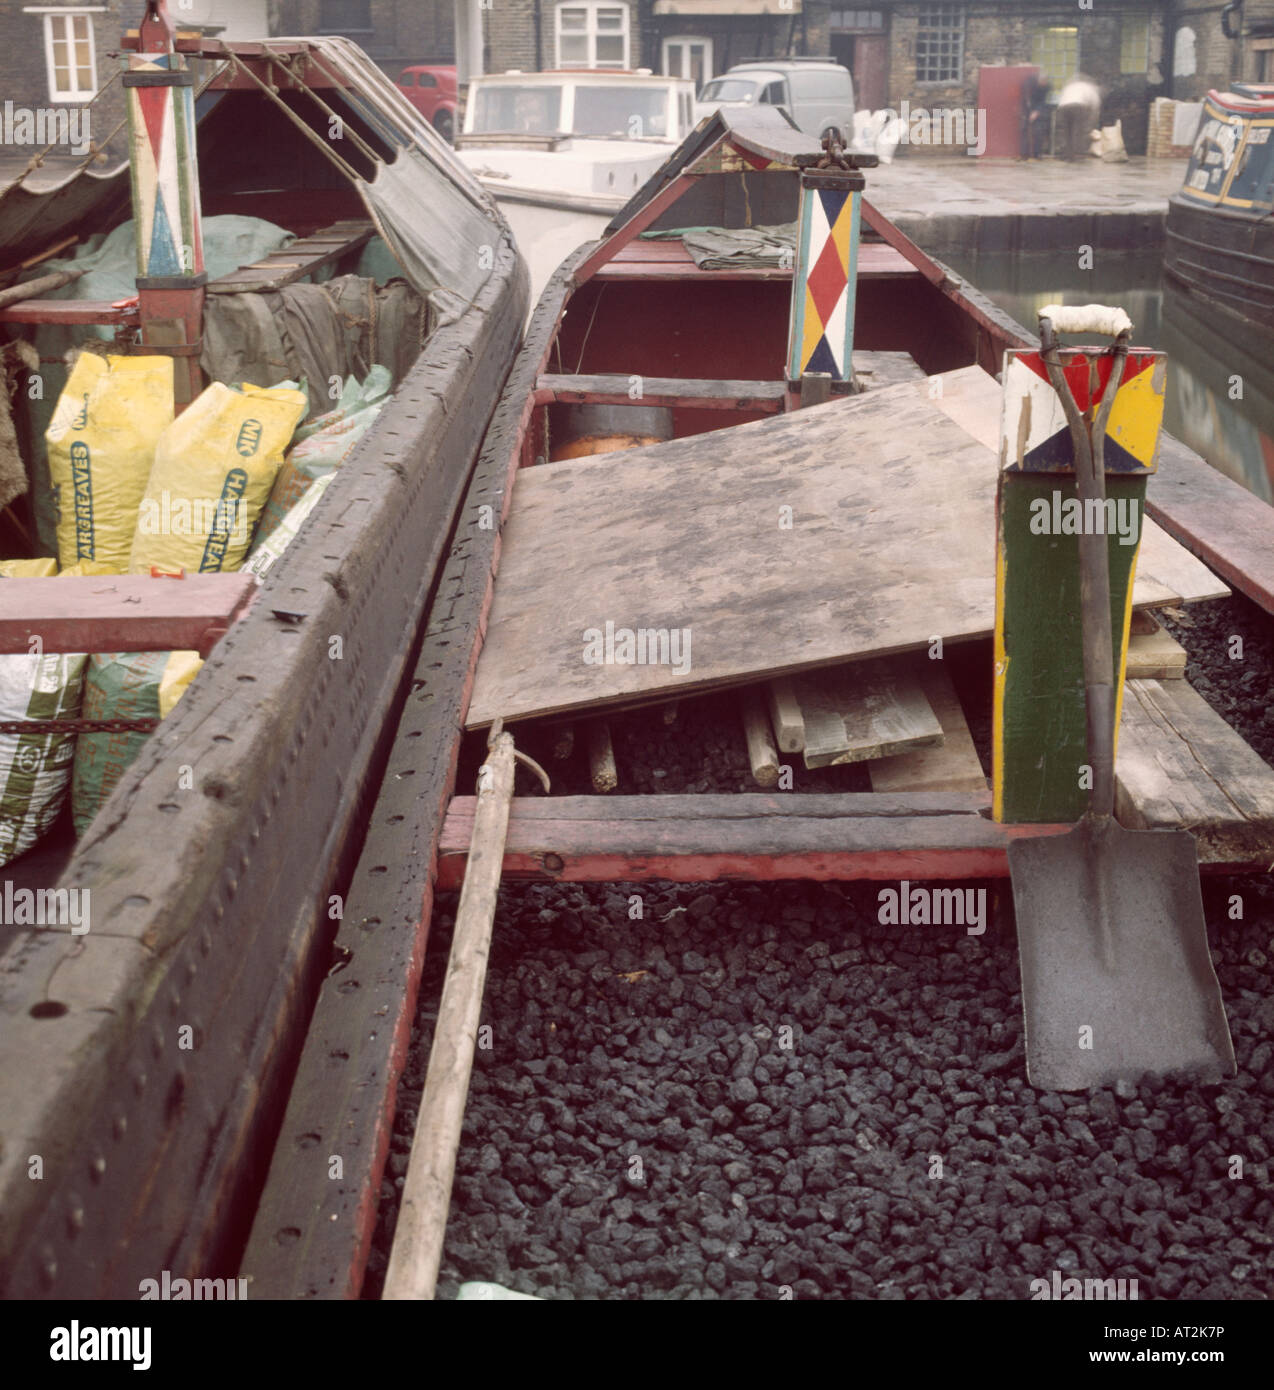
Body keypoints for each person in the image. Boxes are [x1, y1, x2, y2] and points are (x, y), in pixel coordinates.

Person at [1056, 75, 1100, 161]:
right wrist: (1093, 121)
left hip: (1063, 107)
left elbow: (1061, 99)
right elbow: (1095, 105)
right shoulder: (1090, 87)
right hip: (1078, 106)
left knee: (1066, 132)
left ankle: (1066, 154)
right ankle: (1077, 154)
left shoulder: (1070, 86)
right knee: (1078, 131)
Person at [1020, 73, 1051, 159]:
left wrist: (1036, 112)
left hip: (1037, 109)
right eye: (1042, 82)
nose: (1043, 84)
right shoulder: (1029, 83)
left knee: (1039, 131)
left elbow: (1043, 101)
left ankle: (1037, 153)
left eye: (1044, 83)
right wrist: (1028, 109)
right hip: (1026, 108)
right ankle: (1024, 154)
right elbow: (1026, 96)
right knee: (1025, 130)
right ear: (1038, 80)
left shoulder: (1046, 87)